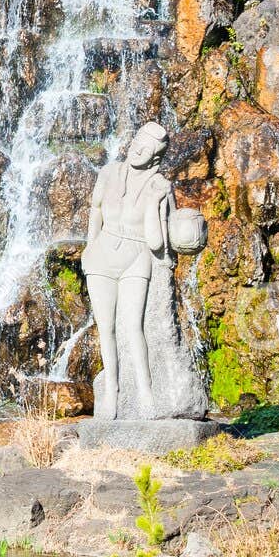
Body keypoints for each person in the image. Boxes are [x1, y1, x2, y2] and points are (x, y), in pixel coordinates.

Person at [81, 122, 174, 420]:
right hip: (102, 255)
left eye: (146, 149)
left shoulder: (159, 186)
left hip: (137, 255)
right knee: (106, 328)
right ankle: (112, 391)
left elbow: (157, 242)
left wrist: (157, 200)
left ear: (155, 156)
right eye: (136, 144)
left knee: (133, 327)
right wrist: (89, 246)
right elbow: (95, 209)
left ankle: (146, 391)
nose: (138, 151)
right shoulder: (108, 173)